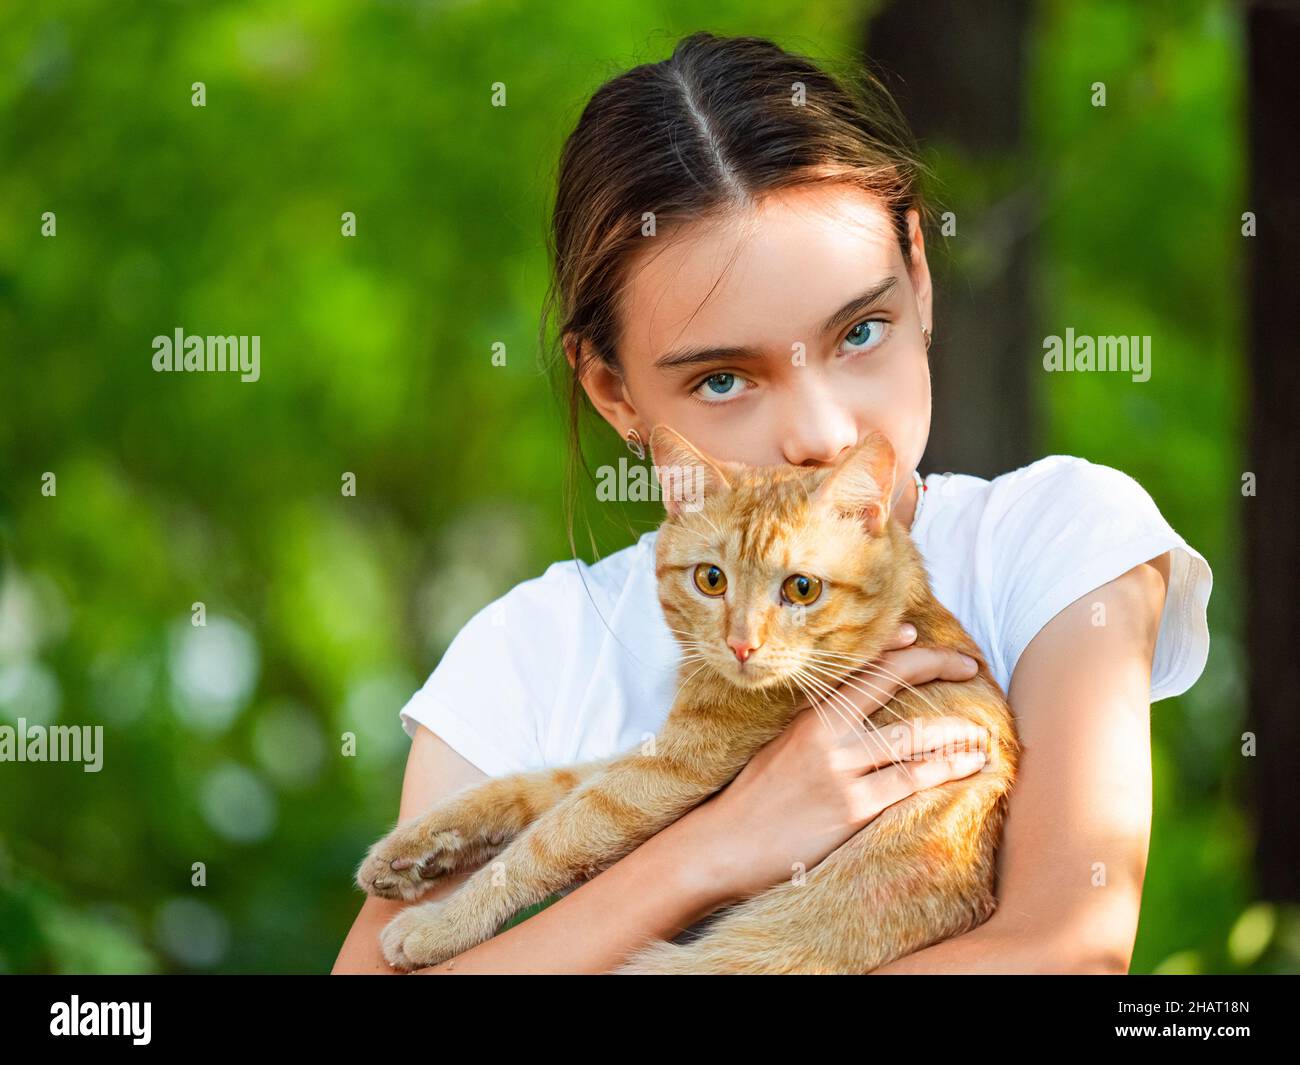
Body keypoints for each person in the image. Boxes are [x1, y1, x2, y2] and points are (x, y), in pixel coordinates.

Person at [333, 31, 1211, 975]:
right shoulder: (531, 649)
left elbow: (1063, 954)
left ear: (919, 271)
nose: (822, 432)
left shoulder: (1057, 538)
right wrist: (713, 845)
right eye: (722, 380)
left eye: (859, 329)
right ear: (615, 393)